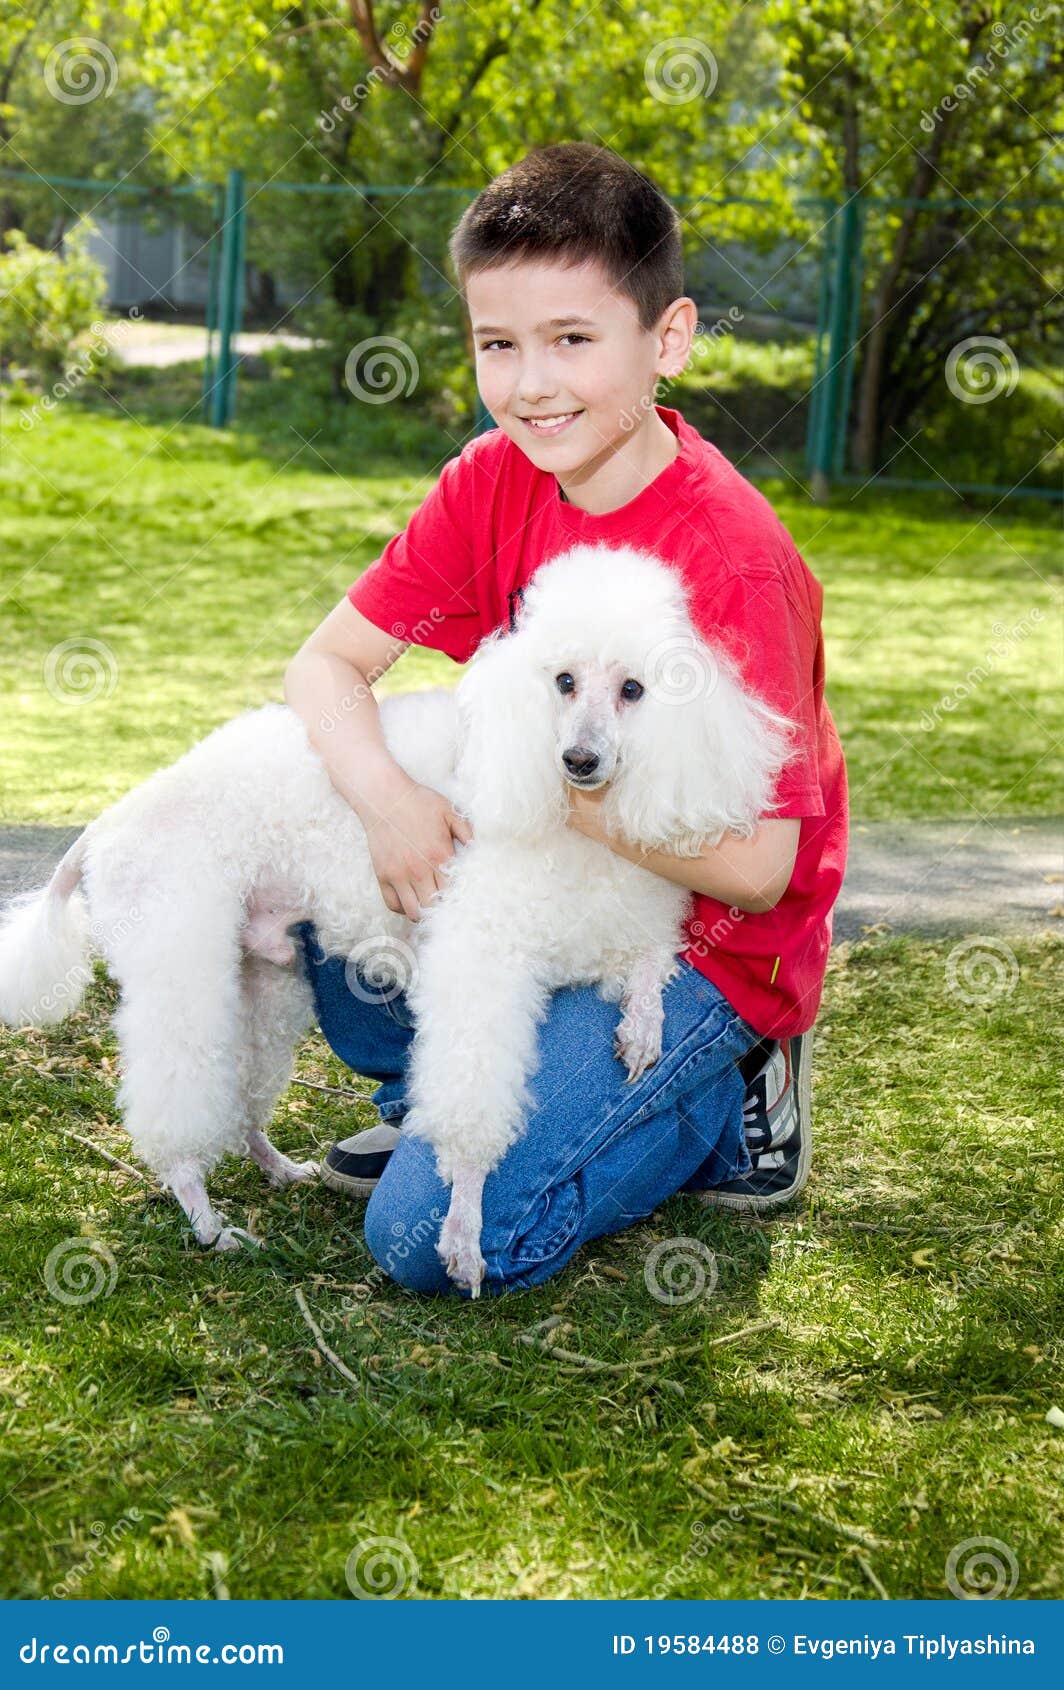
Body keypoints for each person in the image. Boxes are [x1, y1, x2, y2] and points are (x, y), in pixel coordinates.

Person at [283, 141, 848, 1295]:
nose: (531, 382)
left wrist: (546, 791)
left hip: (697, 942)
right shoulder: (491, 479)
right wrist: (391, 806)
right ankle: (437, 1096)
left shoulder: (729, 561)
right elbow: (327, 668)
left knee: (424, 1244)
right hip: (539, 883)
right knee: (311, 814)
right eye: (499, 344)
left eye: (572, 340)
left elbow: (754, 866)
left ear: (668, 338)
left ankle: (721, 1100)